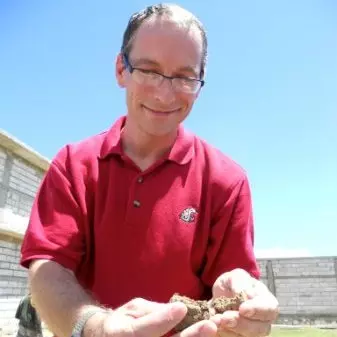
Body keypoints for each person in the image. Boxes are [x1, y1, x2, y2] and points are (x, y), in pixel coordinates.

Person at [20, 3, 279, 337]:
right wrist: (93, 326)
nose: (165, 92)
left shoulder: (228, 180)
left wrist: (241, 300)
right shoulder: (72, 164)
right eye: (148, 70)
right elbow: (48, 266)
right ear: (120, 70)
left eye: (184, 77)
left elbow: (232, 274)